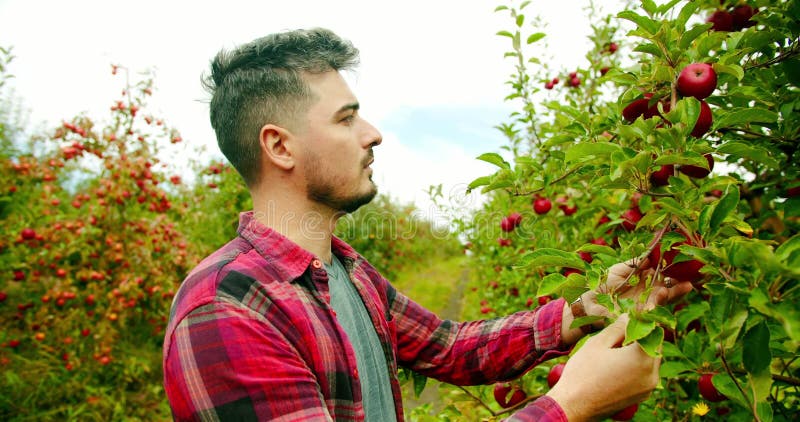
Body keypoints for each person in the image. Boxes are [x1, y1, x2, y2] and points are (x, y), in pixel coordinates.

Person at [162, 28, 693, 421]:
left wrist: (584, 310)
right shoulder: (227, 308)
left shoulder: (345, 272)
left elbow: (450, 347)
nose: (373, 134)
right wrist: (568, 405)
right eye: (346, 118)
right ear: (280, 146)